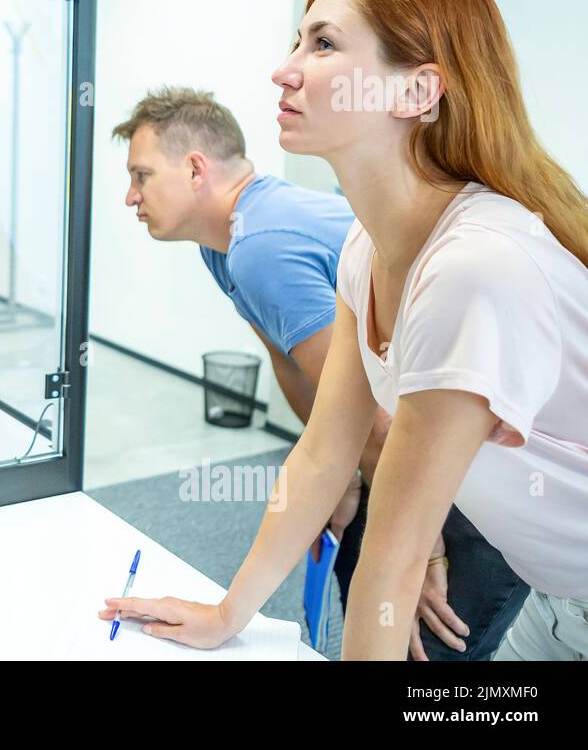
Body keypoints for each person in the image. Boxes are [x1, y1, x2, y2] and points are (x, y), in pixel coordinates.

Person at [102, 0, 588, 659]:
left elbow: (390, 563)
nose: (284, 68)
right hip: (556, 595)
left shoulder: (474, 267)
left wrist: (422, 564)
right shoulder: (367, 244)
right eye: (299, 40)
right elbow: (325, 453)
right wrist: (226, 613)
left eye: (323, 44)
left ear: (418, 91)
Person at [113, 87, 527, 659]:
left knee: (427, 645)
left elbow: (381, 427)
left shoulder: (260, 247)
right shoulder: (227, 244)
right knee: (358, 570)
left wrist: (421, 560)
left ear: (194, 168)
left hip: (481, 456)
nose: (129, 196)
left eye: (141, 175)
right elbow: (315, 380)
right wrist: (346, 478)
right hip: (416, 430)